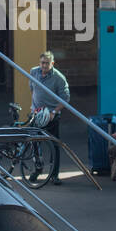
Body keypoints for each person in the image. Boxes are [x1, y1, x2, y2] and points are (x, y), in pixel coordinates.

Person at [29, 50, 70, 185]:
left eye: (47, 63)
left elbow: (65, 98)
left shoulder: (59, 78)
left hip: (51, 117)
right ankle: (38, 169)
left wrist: (54, 112)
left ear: (52, 63)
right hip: (36, 114)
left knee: (54, 145)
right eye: (42, 63)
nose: (44, 66)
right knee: (34, 142)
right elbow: (32, 89)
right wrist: (35, 108)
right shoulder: (33, 72)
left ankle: (54, 175)